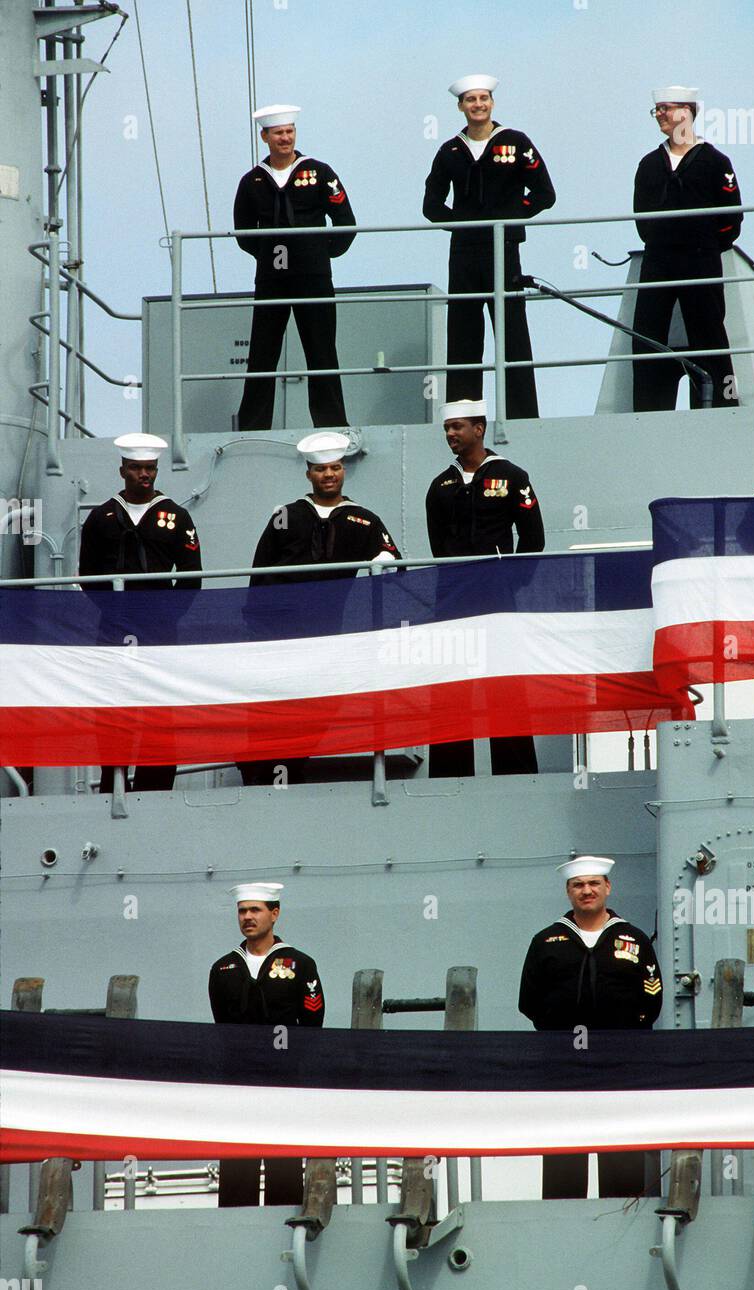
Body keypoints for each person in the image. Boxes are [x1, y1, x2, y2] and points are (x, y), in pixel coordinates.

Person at [240, 430, 400, 785]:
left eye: (336, 467)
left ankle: (291, 772)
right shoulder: (285, 516)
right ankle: (256, 775)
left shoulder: (363, 519)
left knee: (315, 710)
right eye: (321, 469)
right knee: (271, 708)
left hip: (327, 636)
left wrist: (383, 558)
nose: (329, 474)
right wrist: (257, 629)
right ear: (308, 474)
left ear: (344, 470)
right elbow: (259, 574)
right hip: (279, 635)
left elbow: (393, 560)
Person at [519, 856, 663, 1199]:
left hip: (621, 1062)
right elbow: (529, 1000)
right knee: (565, 1149)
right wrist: (558, 1035)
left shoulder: (633, 938)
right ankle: (563, 1215)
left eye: (594, 883)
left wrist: (628, 1035)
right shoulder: (546, 941)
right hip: (563, 1063)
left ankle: (622, 1212)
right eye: (578, 885)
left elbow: (652, 997)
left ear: (607, 887)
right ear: (568, 892)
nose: (587, 891)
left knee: (621, 1149)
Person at [423, 74, 556, 419]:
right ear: (460, 106)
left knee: (512, 334)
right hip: (464, 252)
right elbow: (431, 205)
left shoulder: (516, 142)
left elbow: (545, 193)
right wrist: (462, 223)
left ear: (492, 103)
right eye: (471, 99)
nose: (478, 105)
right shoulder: (450, 150)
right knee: (463, 336)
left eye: (483, 98)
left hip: (504, 249)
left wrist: (510, 217)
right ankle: (464, 419)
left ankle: (523, 416)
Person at [78, 432, 202, 793]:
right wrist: (116, 610)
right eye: (136, 468)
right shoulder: (101, 518)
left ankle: (156, 787)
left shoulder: (176, 516)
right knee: (113, 709)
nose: (144, 474)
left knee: (160, 709)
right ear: (122, 470)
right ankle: (112, 784)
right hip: (112, 629)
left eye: (150, 468)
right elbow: (88, 576)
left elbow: (191, 576)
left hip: (160, 631)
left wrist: (164, 615)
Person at [426, 399, 543, 777]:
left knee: (504, 684)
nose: (450, 434)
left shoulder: (512, 476)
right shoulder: (440, 486)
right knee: (450, 685)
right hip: (452, 600)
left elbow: (533, 539)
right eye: (447, 428)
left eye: (457, 427)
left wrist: (509, 581)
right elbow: (438, 545)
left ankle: (516, 775)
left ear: (479, 429)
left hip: (497, 599)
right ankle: (449, 777)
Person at [234, 104, 356, 431]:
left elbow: (345, 222)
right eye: (278, 133)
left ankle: (331, 425)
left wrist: (320, 253)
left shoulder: (318, 172)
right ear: (265, 137)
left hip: (313, 277)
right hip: (271, 278)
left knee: (321, 350)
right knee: (262, 352)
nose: (285, 138)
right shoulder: (252, 181)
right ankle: (253, 427)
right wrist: (267, 254)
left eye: (289, 131)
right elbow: (243, 232)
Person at [209, 882, 324, 1207]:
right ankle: (234, 1221)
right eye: (242, 911)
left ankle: (284, 1220)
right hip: (239, 1081)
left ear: (274, 914)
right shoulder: (223, 969)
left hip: (284, 1079)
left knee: (283, 1161)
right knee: (237, 1159)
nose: (247, 917)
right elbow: (223, 1028)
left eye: (255, 910)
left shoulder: (300, 964)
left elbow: (312, 1023)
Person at [632, 85, 742, 412]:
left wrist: (704, 242)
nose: (660, 115)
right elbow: (642, 219)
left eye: (666, 108)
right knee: (647, 333)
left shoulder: (715, 162)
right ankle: (646, 410)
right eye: (657, 109)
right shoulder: (650, 164)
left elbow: (731, 219)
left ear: (687, 111)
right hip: (658, 260)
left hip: (700, 258)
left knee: (709, 332)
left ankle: (721, 404)